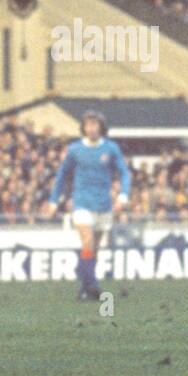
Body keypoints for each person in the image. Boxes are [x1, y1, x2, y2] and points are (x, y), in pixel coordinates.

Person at [43, 110, 130, 301]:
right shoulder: (75, 150)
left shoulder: (111, 148)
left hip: (104, 205)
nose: (91, 128)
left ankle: (85, 286)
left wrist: (123, 196)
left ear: (101, 127)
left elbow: (124, 173)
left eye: (95, 124)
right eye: (88, 124)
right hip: (82, 203)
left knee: (93, 250)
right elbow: (62, 176)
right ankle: (92, 285)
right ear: (83, 127)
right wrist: (53, 201)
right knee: (88, 242)